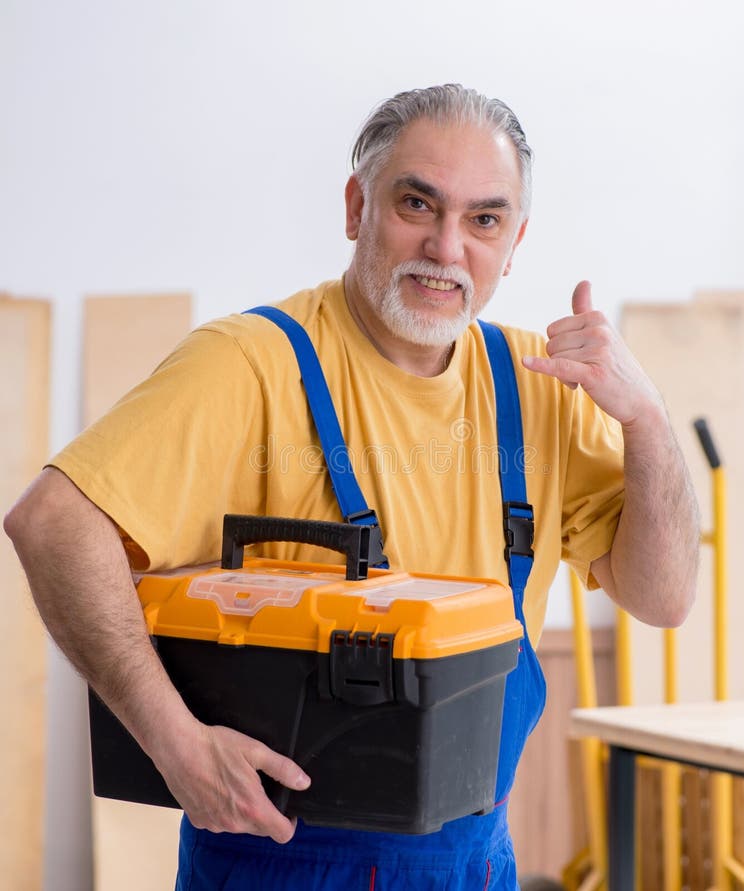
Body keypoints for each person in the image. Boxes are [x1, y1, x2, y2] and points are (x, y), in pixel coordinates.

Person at [4, 84, 698, 890]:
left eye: (483, 220)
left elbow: (665, 596)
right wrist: (173, 741)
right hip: (281, 863)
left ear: (514, 244)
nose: (445, 247)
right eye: (417, 203)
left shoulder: (540, 388)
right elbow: (52, 522)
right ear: (355, 205)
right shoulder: (249, 365)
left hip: (471, 862)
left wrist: (645, 417)